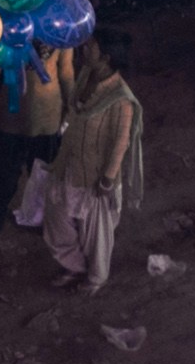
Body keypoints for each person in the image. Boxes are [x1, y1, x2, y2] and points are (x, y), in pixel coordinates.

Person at [47, 43, 147, 287]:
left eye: (91, 47)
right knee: (57, 220)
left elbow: (120, 142)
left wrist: (108, 179)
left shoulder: (121, 99)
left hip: (95, 175)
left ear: (106, 57)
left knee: (96, 234)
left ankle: (95, 279)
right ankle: (75, 267)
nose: (84, 50)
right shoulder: (85, 77)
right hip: (69, 164)